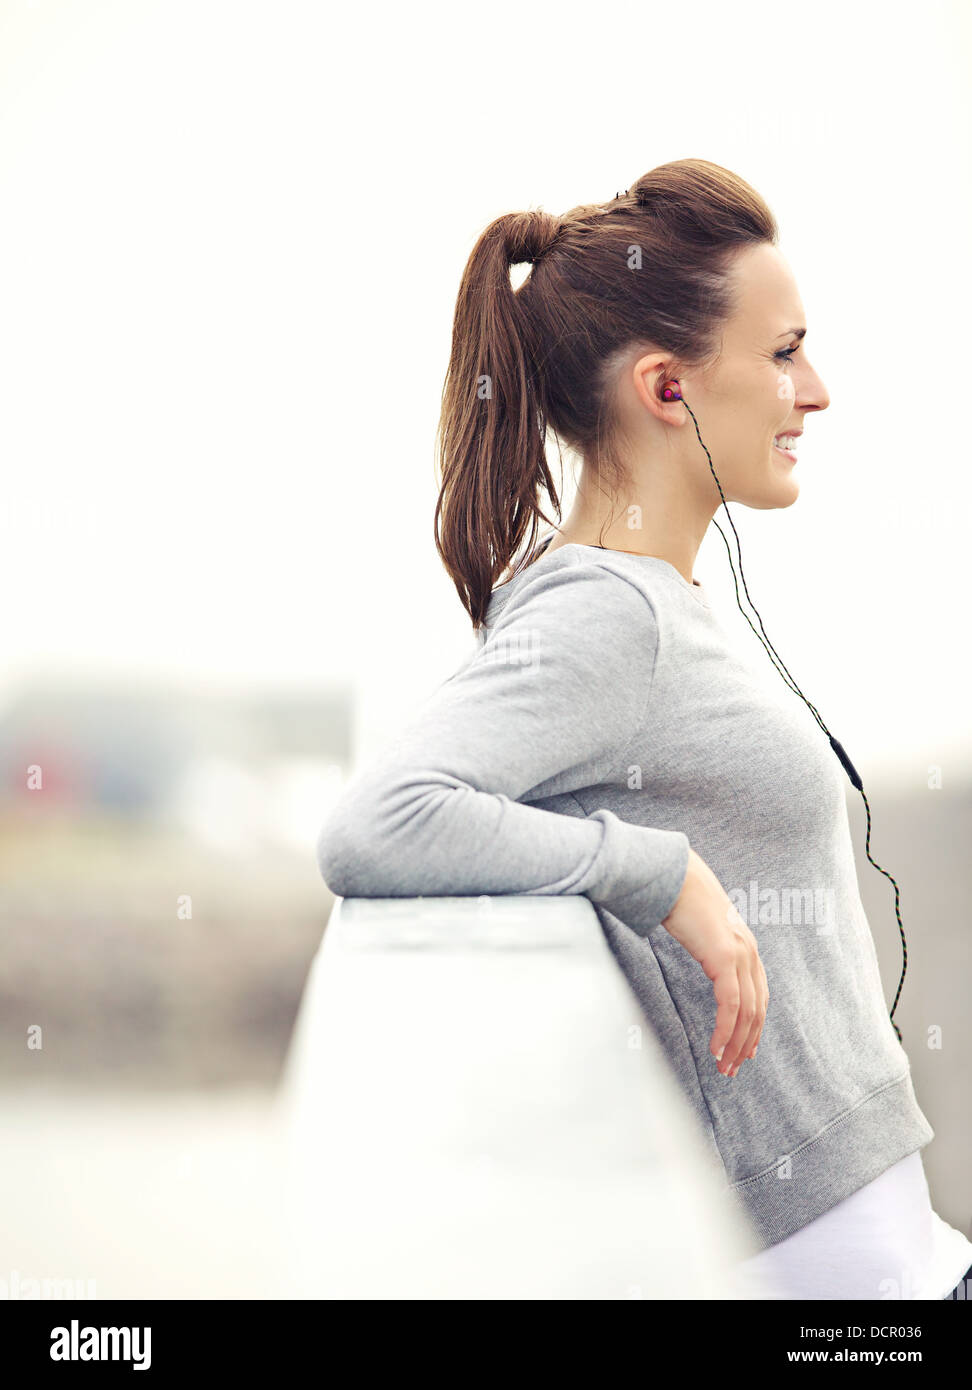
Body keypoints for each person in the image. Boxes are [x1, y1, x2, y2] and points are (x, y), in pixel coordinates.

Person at [316, 158, 972, 1300]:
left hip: (901, 1258)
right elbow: (379, 821)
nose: (816, 391)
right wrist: (655, 872)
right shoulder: (603, 612)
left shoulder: (654, 596)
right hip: (846, 1287)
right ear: (668, 389)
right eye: (784, 353)